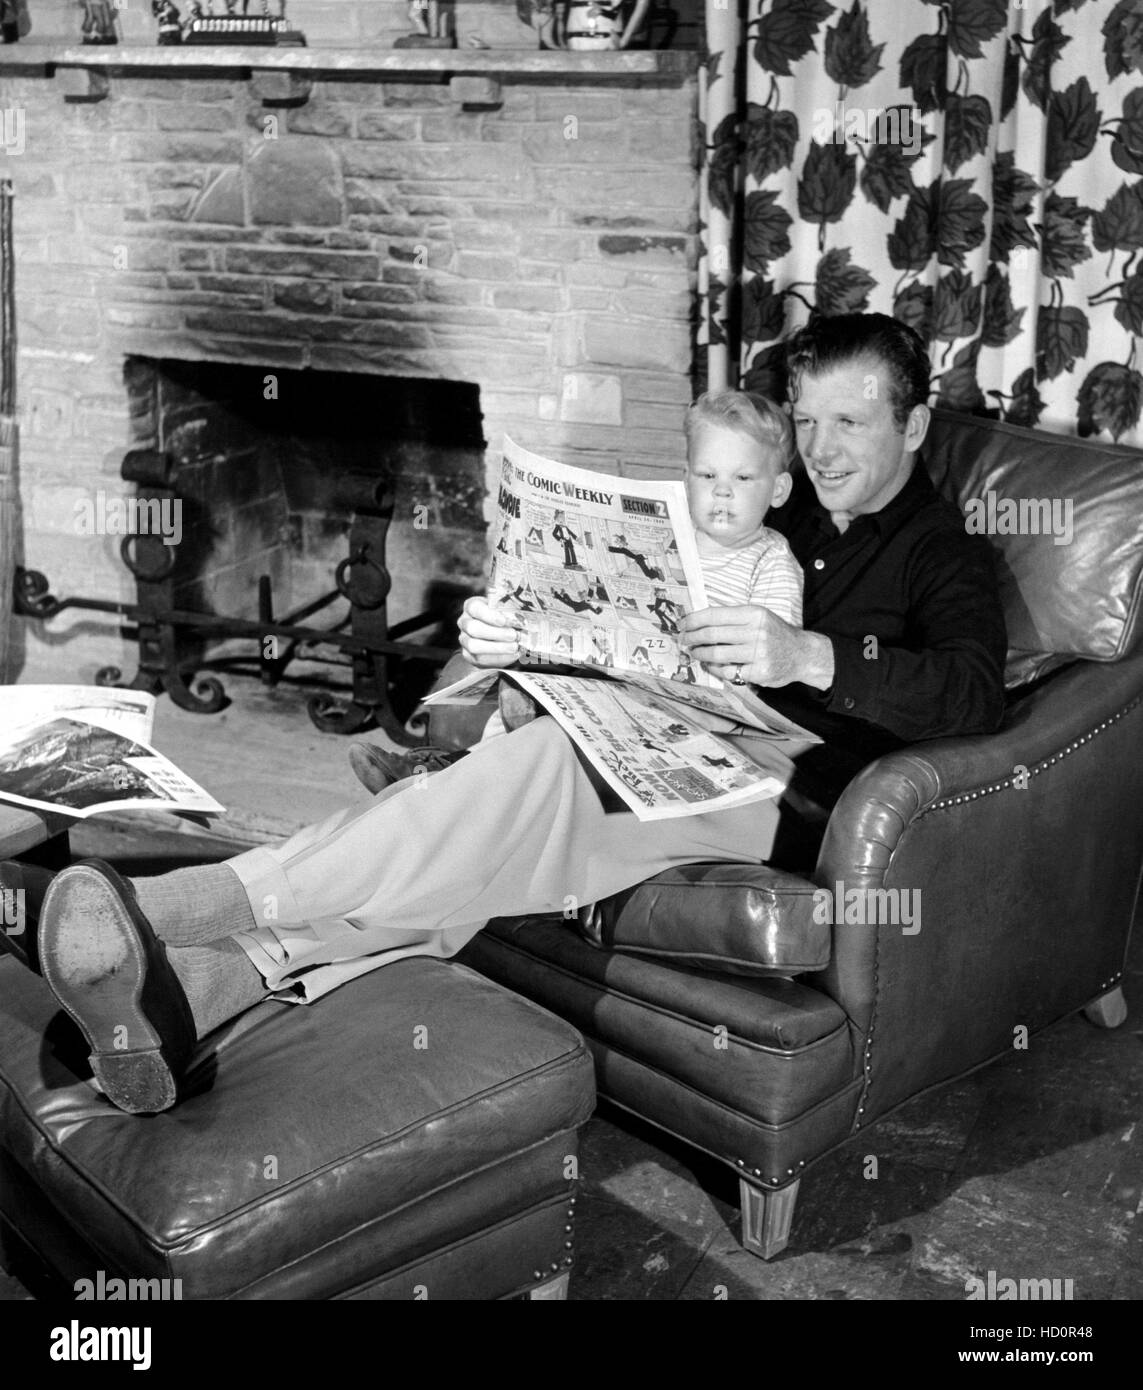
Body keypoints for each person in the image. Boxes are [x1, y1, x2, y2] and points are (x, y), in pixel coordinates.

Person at [6, 313, 1007, 1116]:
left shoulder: (944, 553)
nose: (822, 449)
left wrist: (808, 653)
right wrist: (517, 631)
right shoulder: (759, 501)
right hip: (657, 744)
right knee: (479, 823)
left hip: (771, 794)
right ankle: (192, 995)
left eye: (854, 424)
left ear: (914, 427)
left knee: (515, 780)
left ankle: (175, 905)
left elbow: (973, 693)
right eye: (809, 420)